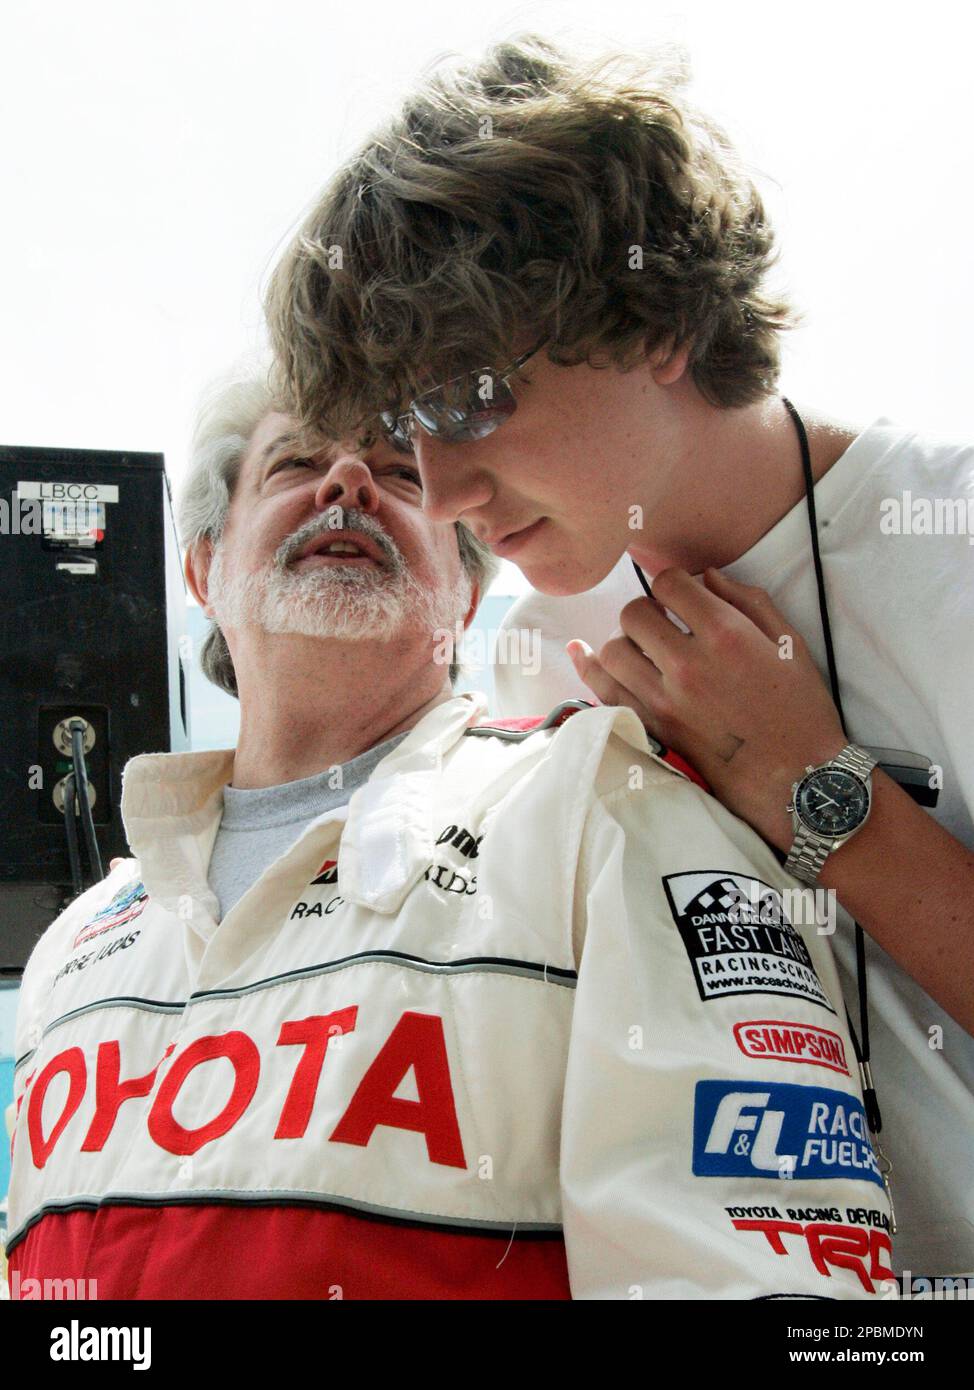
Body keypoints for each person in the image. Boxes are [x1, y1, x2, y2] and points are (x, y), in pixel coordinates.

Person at [263, 36, 974, 1283]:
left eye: (468, 400)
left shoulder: (950, 550)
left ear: (651, 320)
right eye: (403, 431)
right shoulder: (536, 642)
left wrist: (812, 784)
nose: (439, 490)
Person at [5, 373, 891, 1301]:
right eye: (297, 461)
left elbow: (765, 1283)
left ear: (467, 595)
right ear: (202, 570)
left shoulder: (605, 807)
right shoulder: (77, 944)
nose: (346, 482)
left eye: (399, 473)